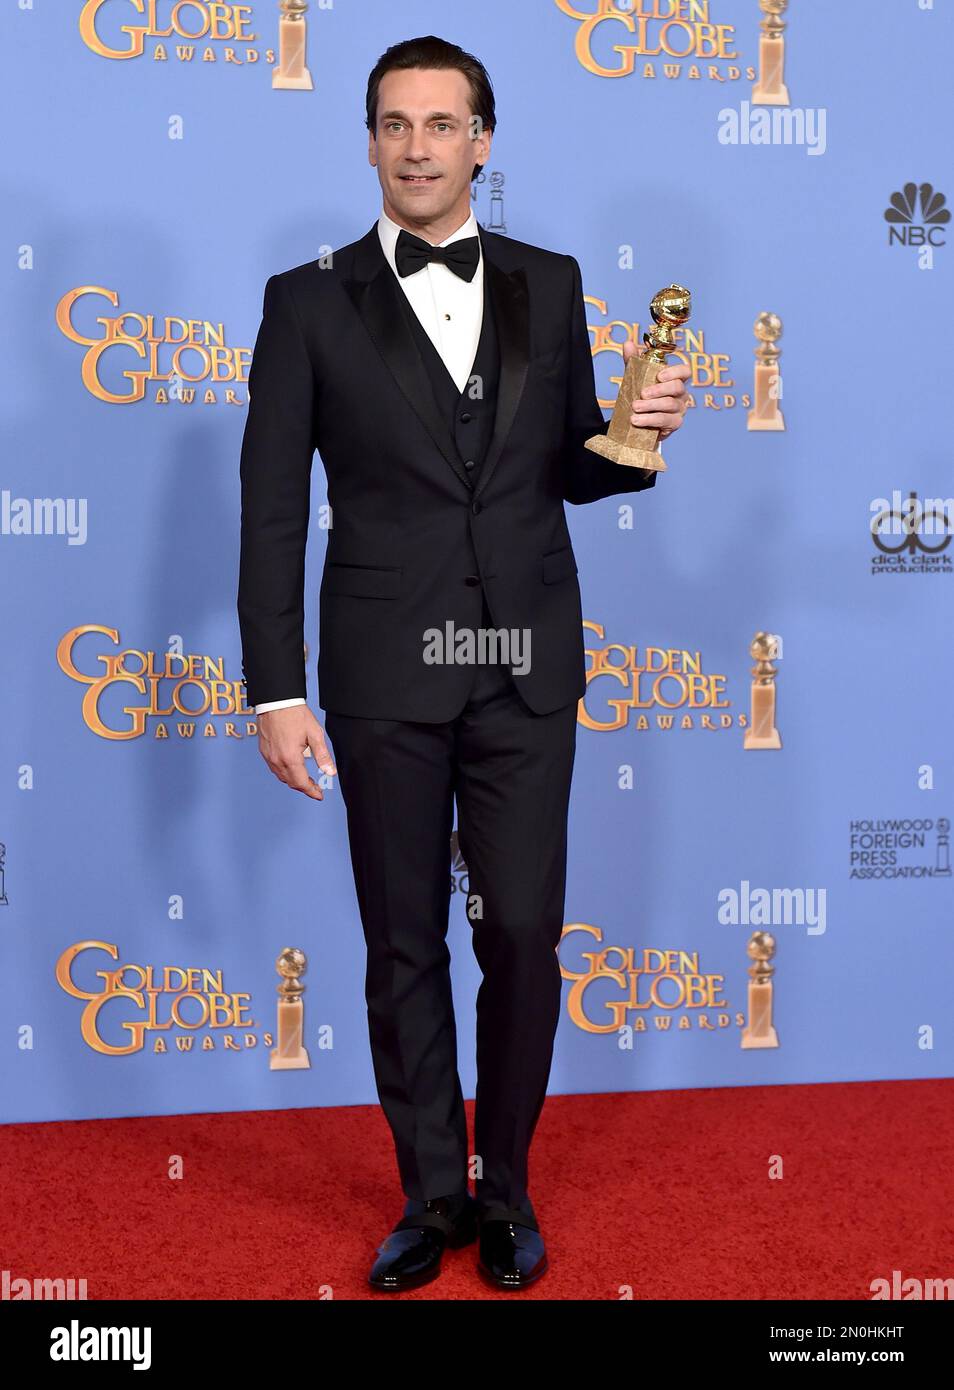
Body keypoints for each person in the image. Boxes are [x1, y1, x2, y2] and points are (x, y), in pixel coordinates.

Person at [238, 35, 690, 1293]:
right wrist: (276, 689)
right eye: (397, 124)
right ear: (371, 141)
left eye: (444, 124)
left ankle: (508, 1190)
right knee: (403, 944)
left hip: (527, 667)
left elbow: (568, 465)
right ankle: (430, 1195)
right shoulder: (306, 299)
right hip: (386, 668)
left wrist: (637, 440)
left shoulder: (552, 279)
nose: (420, 146)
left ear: (483, 141)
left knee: (527, 939)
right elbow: (271, 507)